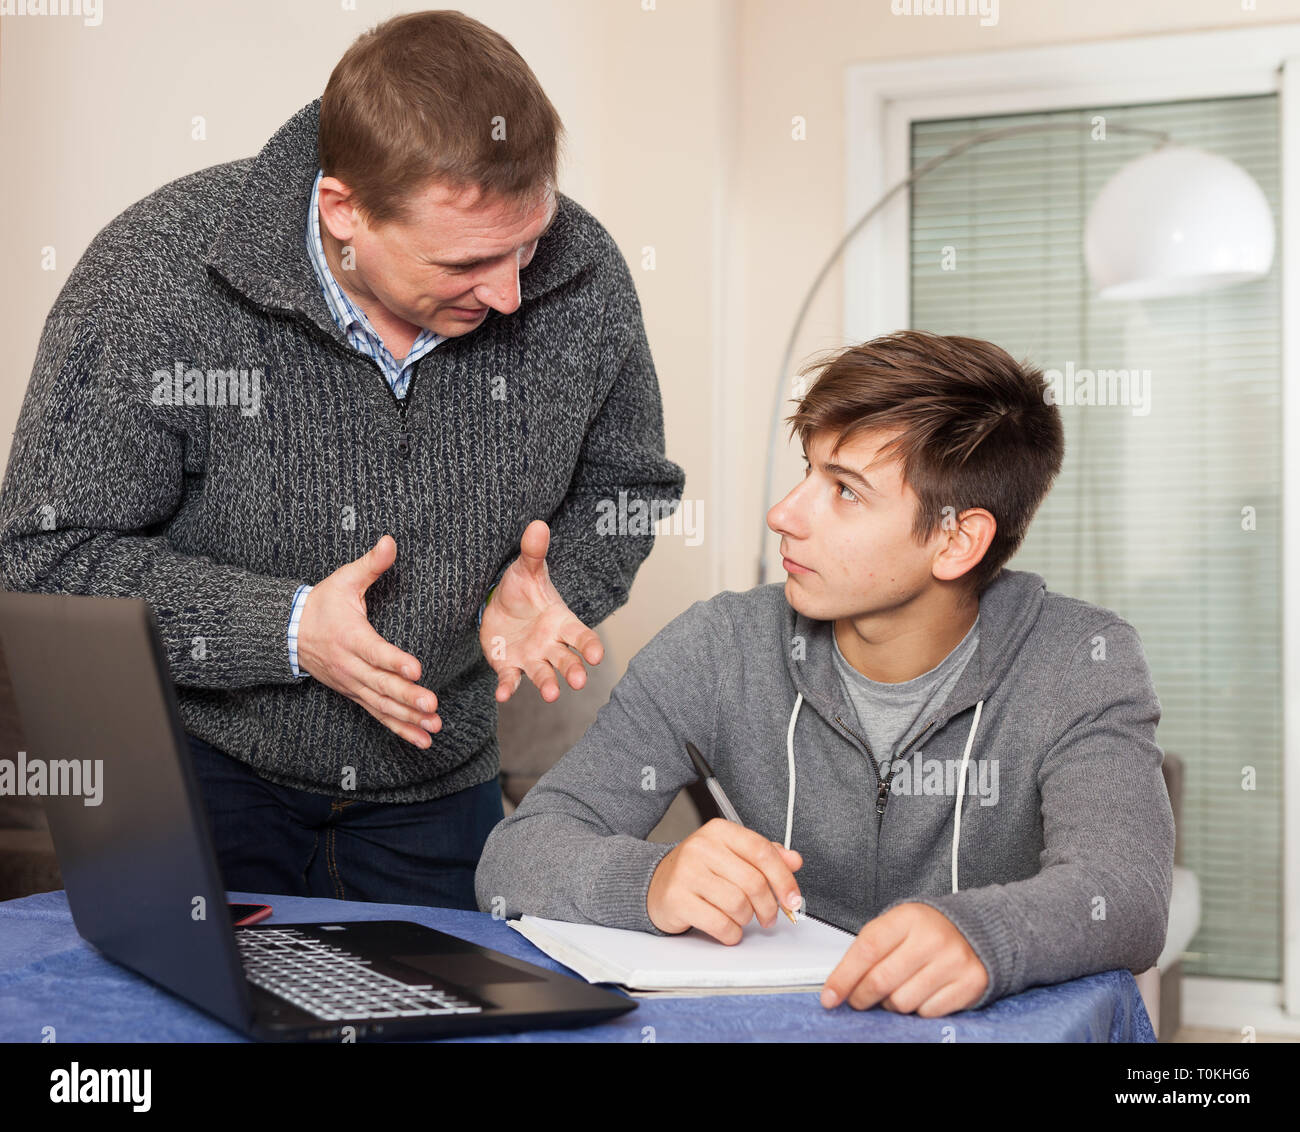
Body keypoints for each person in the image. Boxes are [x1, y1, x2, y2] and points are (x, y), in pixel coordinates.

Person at [0, 10, 683, 910]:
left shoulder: (582, 271)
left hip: (442, 788)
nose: (514, 293)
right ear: (344, 212)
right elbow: (44, 555)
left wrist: (556, 585)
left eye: (527, 244)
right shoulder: (154, 276)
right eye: (469, 261)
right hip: (201, 774)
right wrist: (286, 631)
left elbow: (630, 486)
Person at [475, 329, 1175, 1015]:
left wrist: (982, 935)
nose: (785, 515)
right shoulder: (720, 646)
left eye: (845, 491)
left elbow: (1125, 891)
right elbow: (515, 858)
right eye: (808, 471)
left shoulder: (1083, 660)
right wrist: (650, 879)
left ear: (958, 540)